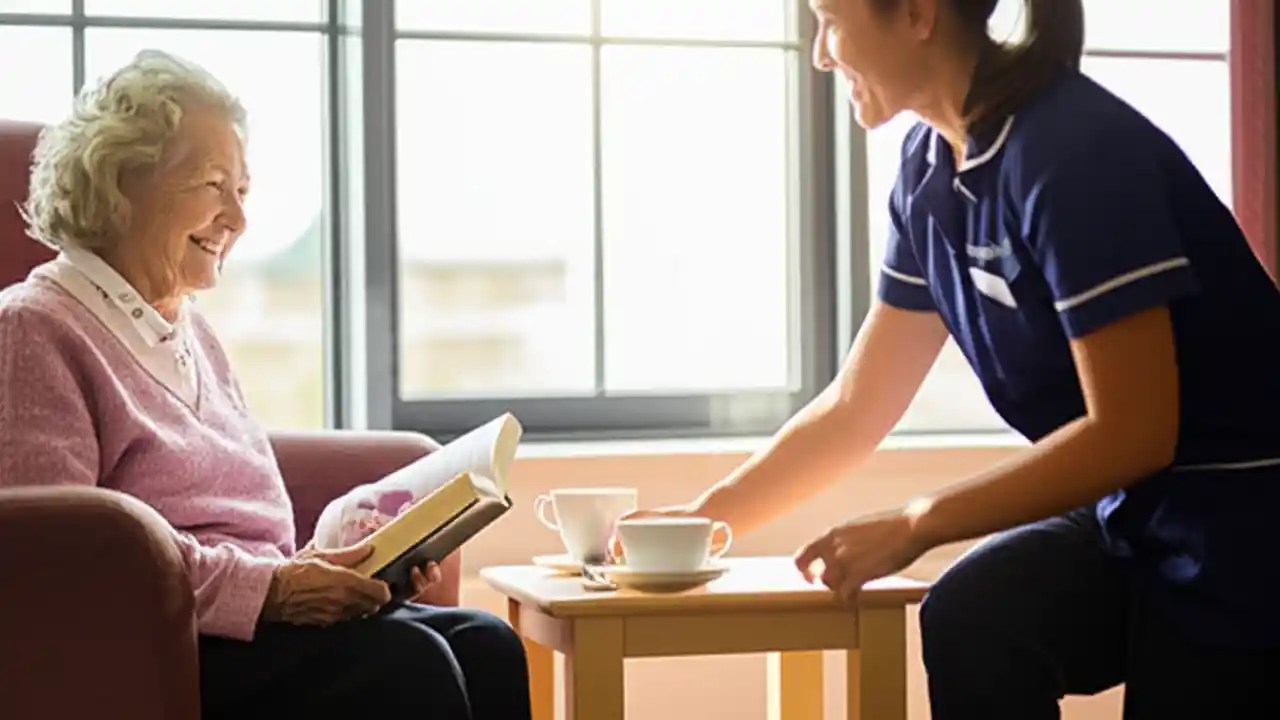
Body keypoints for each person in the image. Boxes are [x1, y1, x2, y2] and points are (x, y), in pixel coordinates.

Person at [619, 0, 1280, 717]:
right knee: (977, 616)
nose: (820, 54)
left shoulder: (1072, 151)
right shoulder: (928, 172)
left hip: (1246, 519)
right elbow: (857, 407)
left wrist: (916, 522)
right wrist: (704, 521)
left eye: (831, 21)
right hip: (1139, 514)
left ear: (916, 14)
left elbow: (1133, 431)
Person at [0, 50, 531, 720]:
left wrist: (357, 567)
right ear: (120, 181)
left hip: (254, 618)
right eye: (213, 184)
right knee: (409, 664)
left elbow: (249, 533)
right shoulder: (33, 328)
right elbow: (59, 557)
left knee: (487, 645)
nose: (238, 219)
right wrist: (272, 591)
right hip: (164, 644)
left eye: (242, 192)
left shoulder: (188, 330)